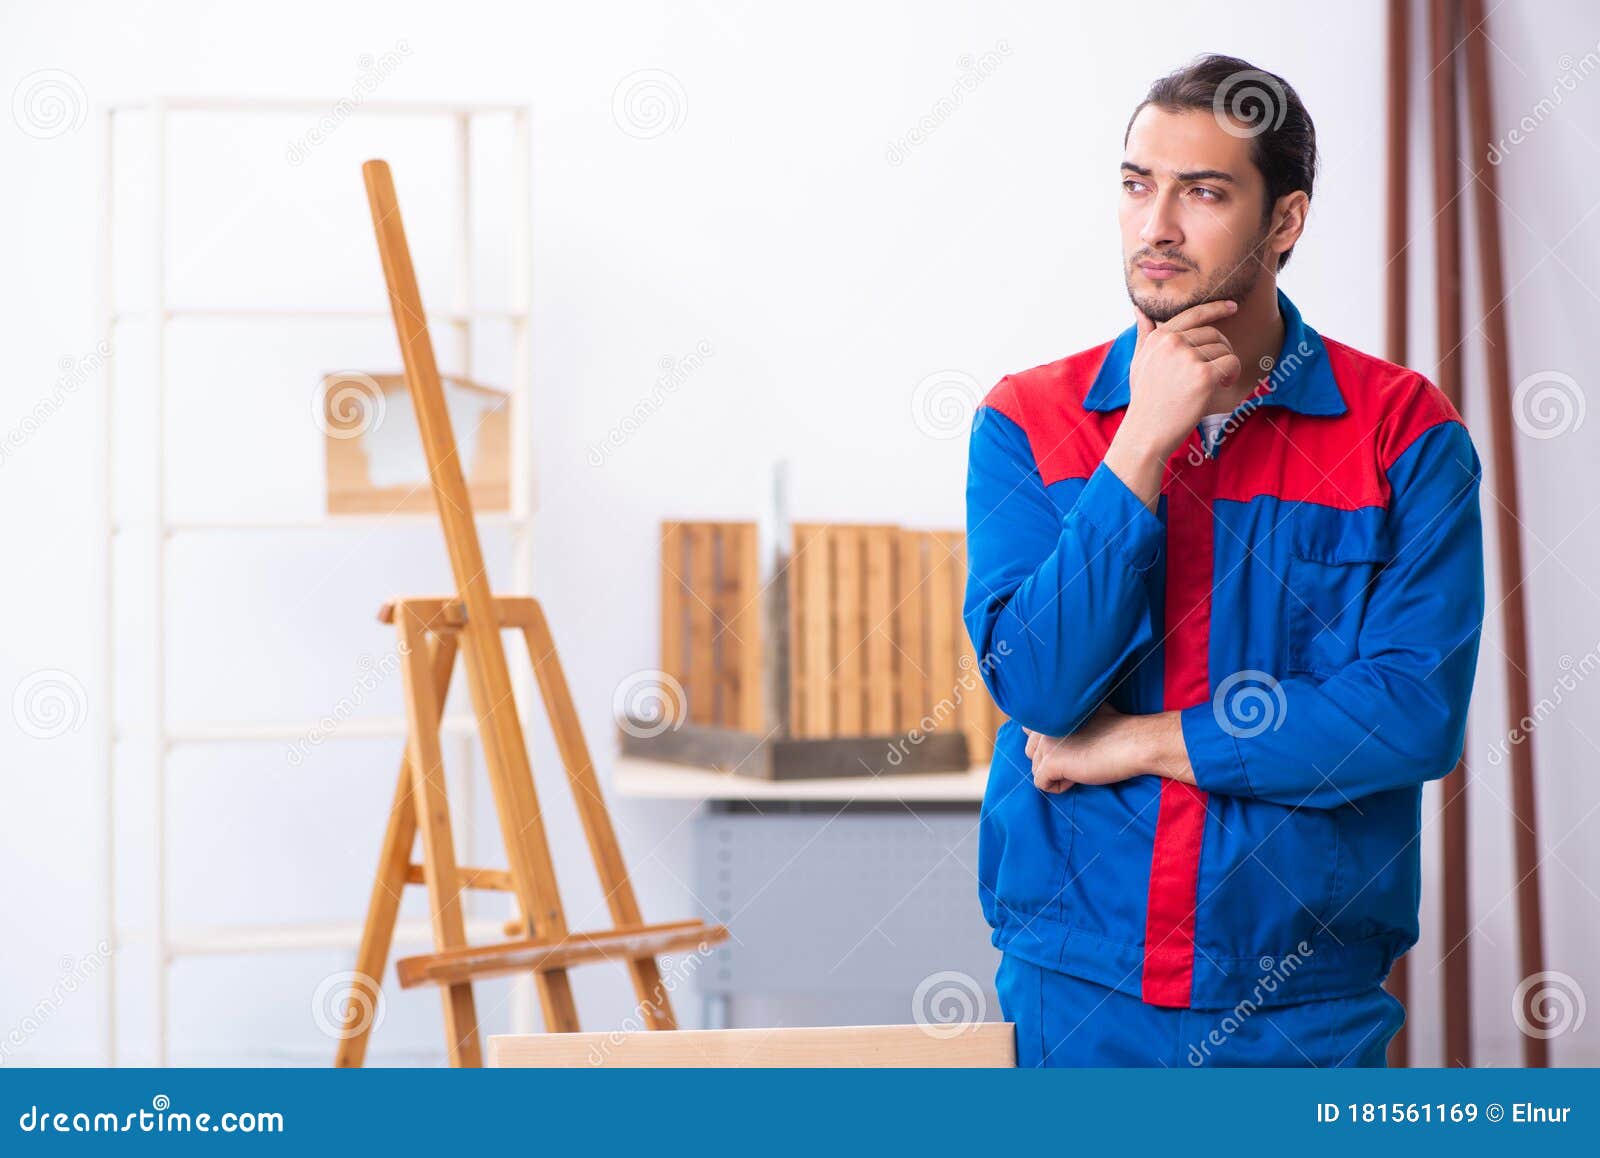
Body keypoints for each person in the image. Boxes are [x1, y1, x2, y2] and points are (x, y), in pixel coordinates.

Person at [962, 53, 1485, 1067]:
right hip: (1077, 989)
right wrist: (1138, 449)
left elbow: (1410, 716)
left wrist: (1150, 741)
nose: (1156, 224)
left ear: (1282, 223)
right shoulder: (1029, 421)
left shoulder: (1401, 434)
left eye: (1201, 192)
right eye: (1136, 184)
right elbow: (1036, 684)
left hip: (1302, 1001)